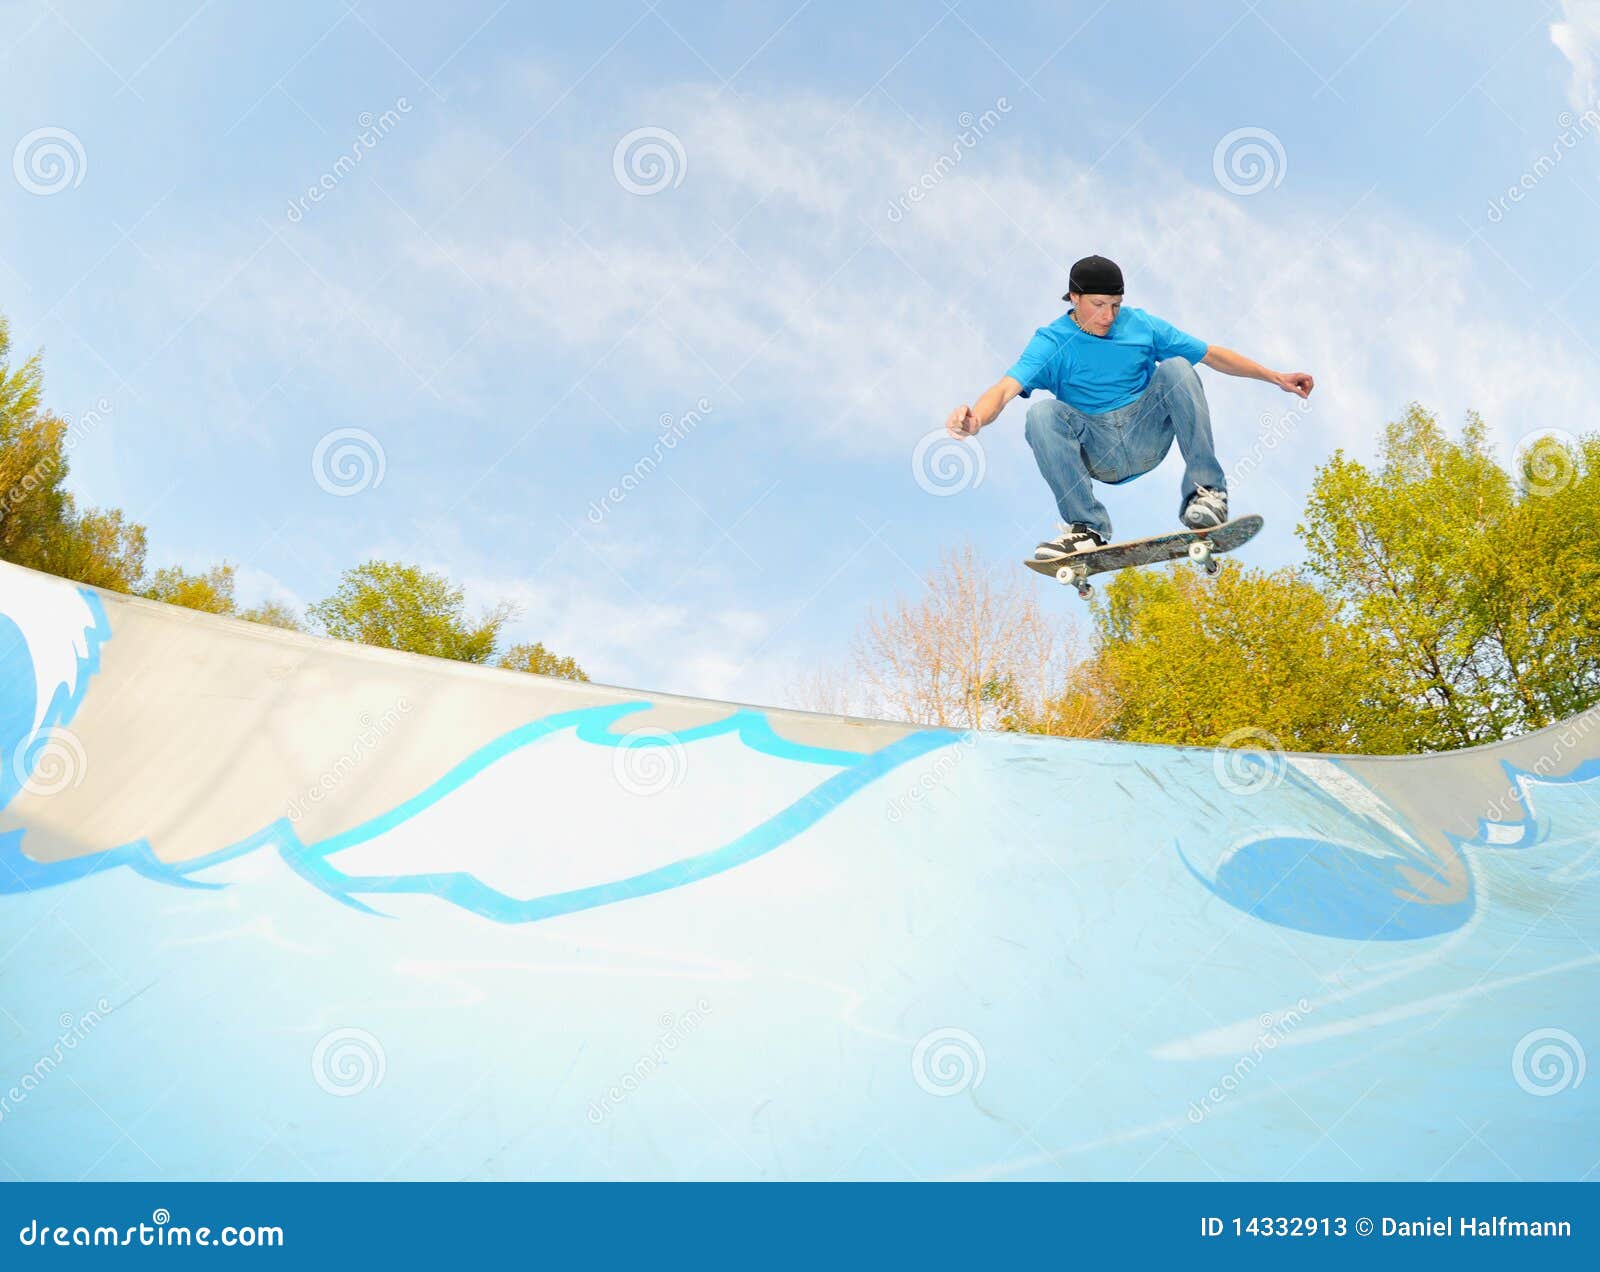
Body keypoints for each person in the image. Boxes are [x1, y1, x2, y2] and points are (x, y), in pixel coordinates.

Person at [944, 254, 1314, 562]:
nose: (1108, 316)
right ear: (1074, 297)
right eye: (1099, 305)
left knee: (1177, 368)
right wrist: (976, 420)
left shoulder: (1142, 325)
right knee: (1040, 414)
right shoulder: (1051, 341)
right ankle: (1086, 529)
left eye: (1115, 306)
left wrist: (1274, 376)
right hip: (1098, 449)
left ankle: (1206, 494)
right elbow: (1006, 388)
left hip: (1145, 433)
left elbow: (1212, 355)